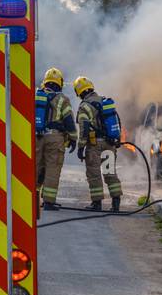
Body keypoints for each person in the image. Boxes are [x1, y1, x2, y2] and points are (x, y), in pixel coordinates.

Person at [74, 76, 122, 212]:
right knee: (110, 172)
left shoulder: (84, 106)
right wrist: (116, 140)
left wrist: (80, 147)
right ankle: (116, 204)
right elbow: (117, 121)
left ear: (79, 92)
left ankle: (96, 204)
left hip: (94, 145)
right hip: (109, 143)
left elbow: (84, 129)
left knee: (94, 173)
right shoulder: (104, 101)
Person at [35, 67, 74, 211]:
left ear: (45, 82)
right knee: (53, 168)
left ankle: (30, 199)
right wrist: (73, 138)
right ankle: (49, 202)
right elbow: (69, 121)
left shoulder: (35, 95)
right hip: (55, 137)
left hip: (36, 137)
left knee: (35, 167)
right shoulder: (62, 99)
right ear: (60, 83)